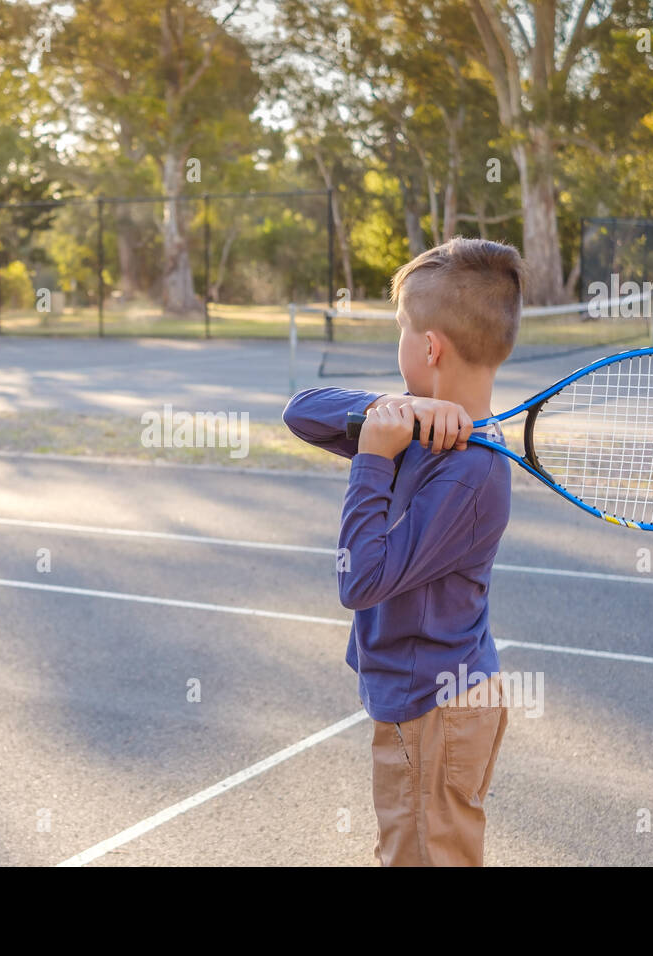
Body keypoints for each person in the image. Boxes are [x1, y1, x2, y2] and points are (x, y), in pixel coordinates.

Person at [283, 237, 523, 866]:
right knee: (411, 851)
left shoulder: (470, 473)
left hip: (434, 709)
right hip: (427, 703)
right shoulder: (417, 428)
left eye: (400, 330)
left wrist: (371, 458)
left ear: (429, 347)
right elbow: (300, 411)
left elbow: (360, 580)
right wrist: (405, 411)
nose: (398, 345)